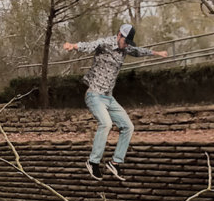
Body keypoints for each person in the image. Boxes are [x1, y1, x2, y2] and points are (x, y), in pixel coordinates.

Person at [62, 23, 168, 180]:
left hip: (109, 98)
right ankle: (93, 162)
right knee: (106, 124)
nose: (126, 46)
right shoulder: (106, 43)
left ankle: (115, 163)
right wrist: (73, 46)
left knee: (128, 127)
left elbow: (138, 51)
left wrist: (156, 52)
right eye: (124, 41)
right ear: (119, 35)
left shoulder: (126, 47)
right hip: (94, 95)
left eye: (128, 43)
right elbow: (89, 45)